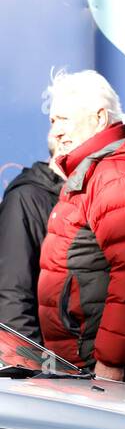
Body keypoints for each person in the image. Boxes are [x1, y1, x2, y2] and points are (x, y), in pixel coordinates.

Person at [37, 69, 125, 386]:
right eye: (52, 122)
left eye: (64, 119)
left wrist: (110, 364)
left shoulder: (117, 175)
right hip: (89, 369)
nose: (57, 132)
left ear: (100, 118)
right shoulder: (97, 174)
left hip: (115, 376)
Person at [0, 134, 64, 342]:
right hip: (50, 362)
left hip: (78, 360)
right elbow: (12, 294)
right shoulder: (24, 200)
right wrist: (32, 367)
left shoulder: (86, 198)